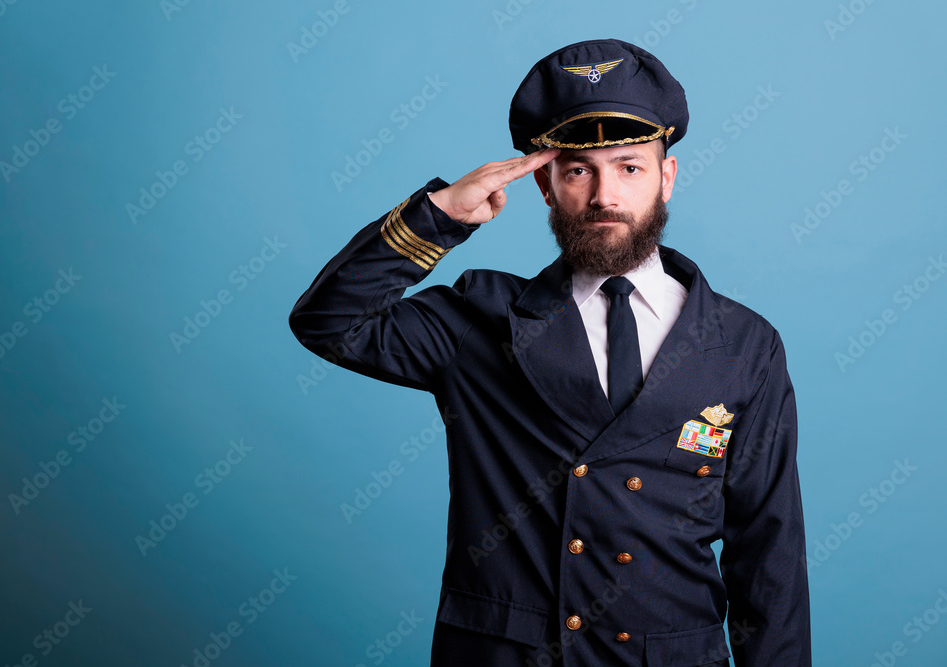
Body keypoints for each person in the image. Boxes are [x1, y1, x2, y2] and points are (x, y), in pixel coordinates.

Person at [290, 38, 810, 666]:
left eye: (629, 167)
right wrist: (438, 217)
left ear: (667, 177)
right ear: (544, 185)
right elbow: (329, 322)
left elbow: (769, 552)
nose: (604, 196)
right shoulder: (480, 320)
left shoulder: (745, 345)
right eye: (577, 170)